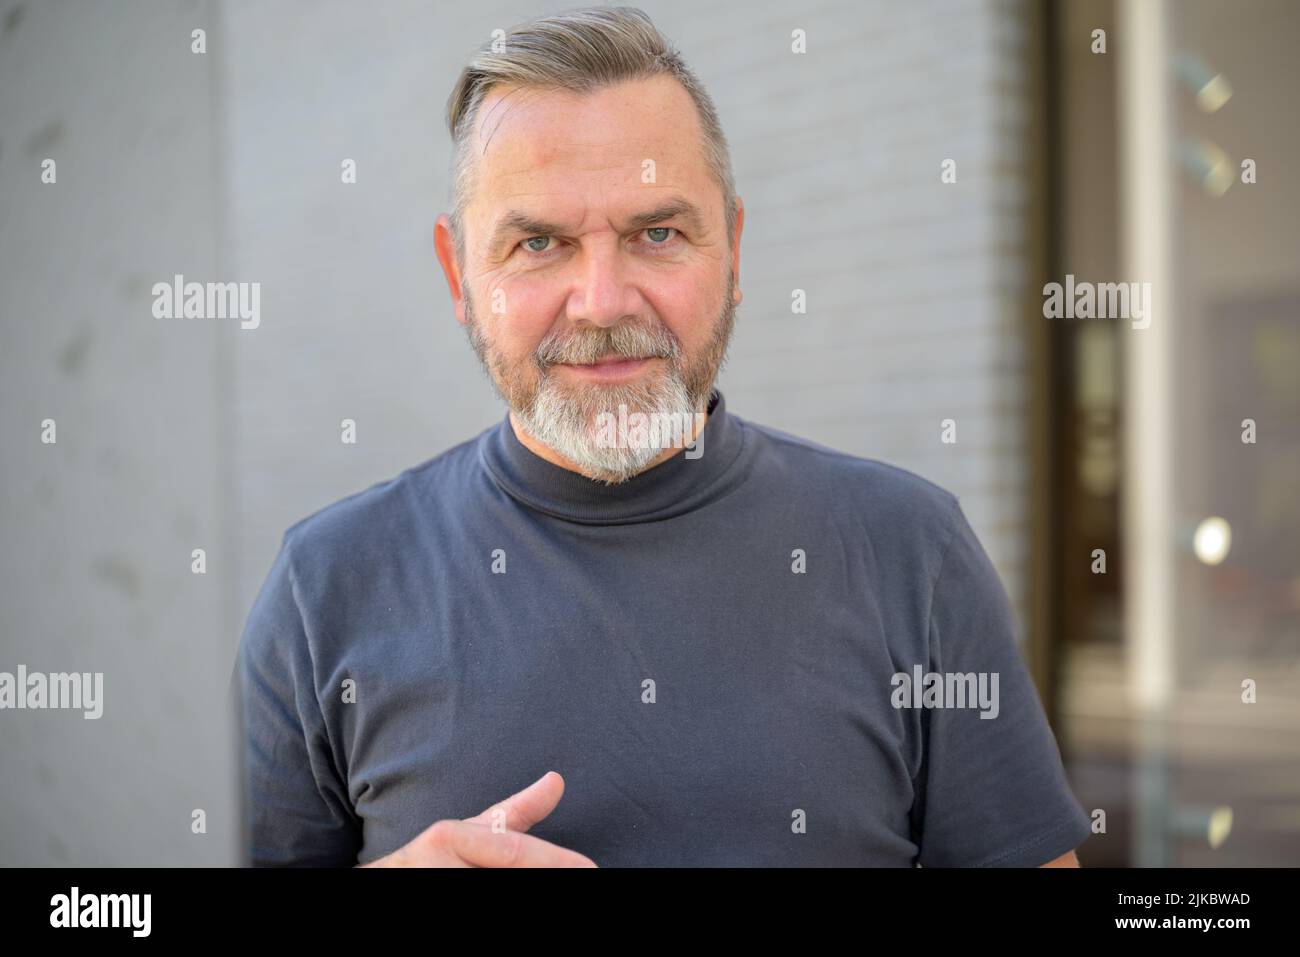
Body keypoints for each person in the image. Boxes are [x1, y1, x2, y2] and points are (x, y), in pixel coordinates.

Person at [237, 5, 1089, 868]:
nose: (603, 302)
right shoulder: (325, 590)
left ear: (735, 253)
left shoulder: (912, 553)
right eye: (539, 242)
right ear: (461, 275)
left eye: (657, 233)